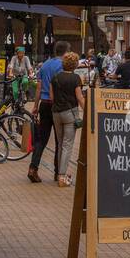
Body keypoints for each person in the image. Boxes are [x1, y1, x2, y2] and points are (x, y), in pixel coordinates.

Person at [28, 40, 67, 184]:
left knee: (41, 139)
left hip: (44, 104)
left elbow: (38, 88)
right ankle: (58, 173)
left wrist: (35, 105)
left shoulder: (44, 65)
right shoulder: (62, 66)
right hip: (56, 105)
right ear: (66, 52)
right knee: (59, 141)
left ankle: (33, 168)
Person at [50, 52, 85, 188]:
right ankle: (62, 176)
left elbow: (52, 97)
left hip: (56, 113)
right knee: (67, 145)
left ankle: (59, 172)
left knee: (60, 144)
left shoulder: (55, 77)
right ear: (75, 65)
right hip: (70, 114)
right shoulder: (76, 78)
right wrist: (87, 111)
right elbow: (79, 98)